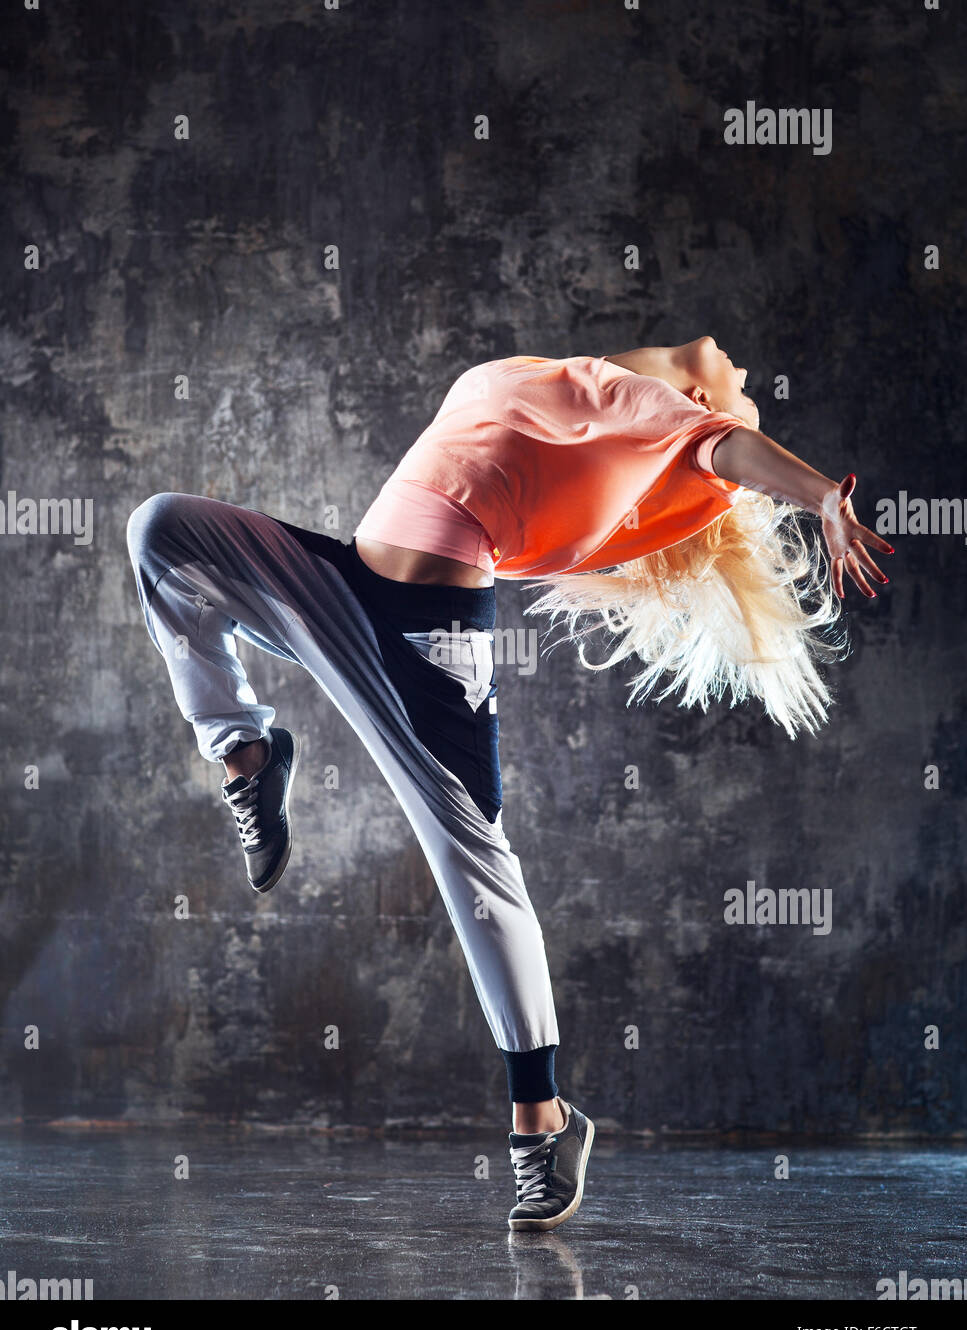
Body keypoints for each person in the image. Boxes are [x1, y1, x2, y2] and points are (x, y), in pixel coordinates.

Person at [125, 337, 892, 1232]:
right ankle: (247, 755)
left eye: (735, 392)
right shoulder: (550, 383)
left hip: (430, 648)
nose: (746, 370)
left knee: (475, 872)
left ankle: (543, 1122)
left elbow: (721, 447)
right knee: (161, 528)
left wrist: (819, 496)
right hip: (342, 582)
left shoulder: (628, 397)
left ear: (690, 393)